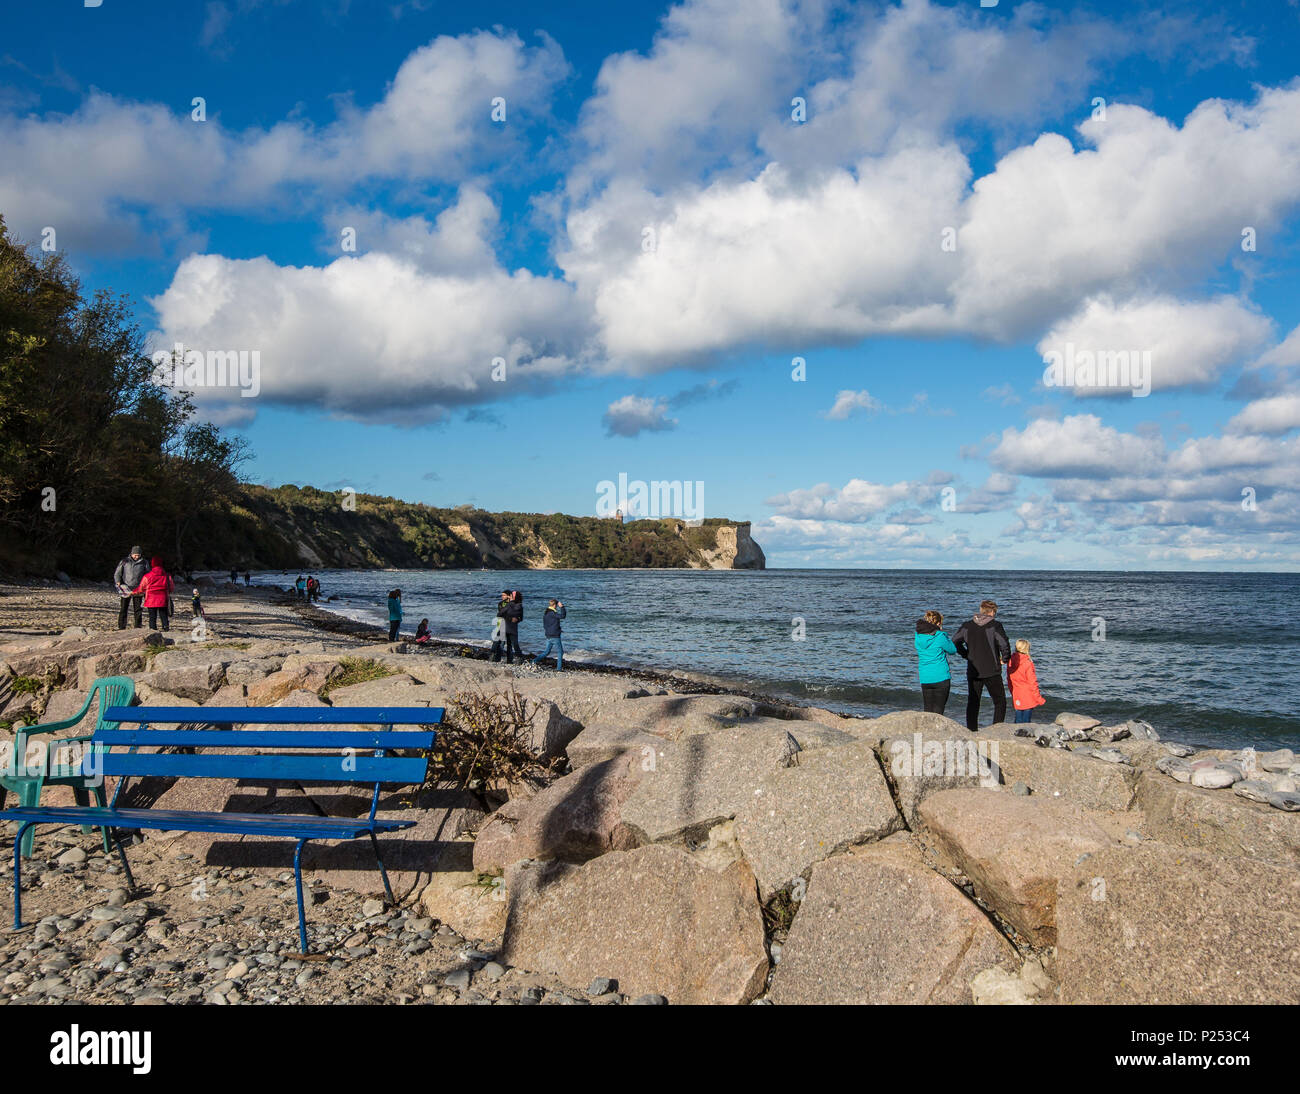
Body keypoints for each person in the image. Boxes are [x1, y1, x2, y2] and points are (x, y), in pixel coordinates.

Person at [953, 600, 1011, 731]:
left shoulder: (967, 625)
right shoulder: (995, 625)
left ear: (981, 610)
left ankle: (972, 730)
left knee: (973, 701)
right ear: (992, 612)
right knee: (1000, 701)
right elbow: (1004, 644)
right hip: (992, 669)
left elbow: (955, 641)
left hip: (974, 669)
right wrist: (1005, 658)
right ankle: (997, 730)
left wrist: (966, 654)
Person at [913, 609, 956, 714]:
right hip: (941, 677)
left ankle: (927, 730)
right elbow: (952, 650)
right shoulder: (940, 636)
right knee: (938, 710)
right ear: (937, 623)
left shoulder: (918, 637)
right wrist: (944, 634)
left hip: (925, 677)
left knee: (928, 709)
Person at [1006, 638, 1046, 723]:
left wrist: (1012, 692)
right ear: (1027, 649)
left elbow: (1009, 680)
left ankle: (1015, 734)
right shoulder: (1027, 663)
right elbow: (1033, 683)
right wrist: (1038, 698)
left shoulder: (1010, 661)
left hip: (1017, 693)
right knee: (1026, 721)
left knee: (1018, 718)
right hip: (1028, 695)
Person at [133, 557, 175, 632]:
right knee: (164, 616)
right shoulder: (167, 576)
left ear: (152, 565)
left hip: (151, 600)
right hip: (163, 599)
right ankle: (166, 628)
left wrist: (133, 592)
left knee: (152, 617)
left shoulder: (147, 576)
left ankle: (153, 630)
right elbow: (171, 588)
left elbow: (141, 588)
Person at [112, 545, 148, 630]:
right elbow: (117, 573)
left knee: (138, 609)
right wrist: (118, 581)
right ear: (131, 554)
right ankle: (121, 626)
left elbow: (147, 574)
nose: (136, 556)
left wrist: (145, 585)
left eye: (138, 555)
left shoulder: (144, 562)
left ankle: (137, 626)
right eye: (135, 555)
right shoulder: (124, 561)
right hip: (126, 587)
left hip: (138, 588)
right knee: (124, 608)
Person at [533, 599, 566, 670]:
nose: (557, 607)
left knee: (547, 652)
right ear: (554, 605)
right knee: (560, 652)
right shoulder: (553, 613)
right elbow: (563, 616)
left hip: (548, 635)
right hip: (555, 636)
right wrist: (562, 607)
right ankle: (559, 669)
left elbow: (547, 624)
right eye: (557, 605)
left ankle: (533, 661)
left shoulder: (546, 613)